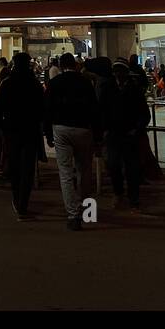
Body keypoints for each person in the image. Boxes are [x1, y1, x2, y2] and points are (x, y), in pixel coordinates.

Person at [43, 52, 99, 231]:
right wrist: (97, 135)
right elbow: (94, 108)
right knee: (85, 170)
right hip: (83, 129)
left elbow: (48, 109)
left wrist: (48, 134)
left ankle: (73, 214)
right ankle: (88, 211)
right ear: (75, 65)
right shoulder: (85, 82)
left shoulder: (55, 83)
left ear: (60, 66)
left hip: (61, 129)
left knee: (66, 173)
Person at [0, 52, 43, 220]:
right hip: (31, 130)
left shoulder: (7, 83)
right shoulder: (35, 84)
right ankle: (23, 203)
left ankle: (16, 198)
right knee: (28, 168)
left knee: (14, 166)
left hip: (12, 131)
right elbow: (42, 108)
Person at [101, 61, 149, 211]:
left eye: (120, 71)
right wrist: (105, 129)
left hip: (130, 135)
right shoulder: (108, 88)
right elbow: (102, 110)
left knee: (132, 168)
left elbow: (144, 113)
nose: (118, 74)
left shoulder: (134, 89)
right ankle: (119, 192)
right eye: (115, 71)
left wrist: (137, 129)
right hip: (114, 134)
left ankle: (133, 198)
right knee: (113, 165)